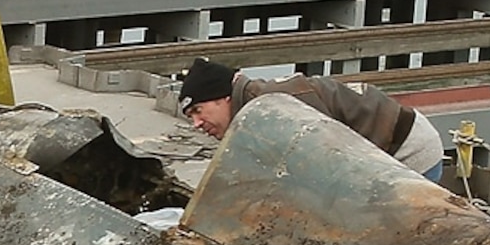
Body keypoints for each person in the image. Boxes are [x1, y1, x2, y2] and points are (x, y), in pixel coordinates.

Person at [177, 56, 447, 182]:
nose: (197, 124)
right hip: (384, 149)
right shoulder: (253, 108)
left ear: (223, 97)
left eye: (198, 111)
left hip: (408, 151)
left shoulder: (275, 105)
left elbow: (328, 165)